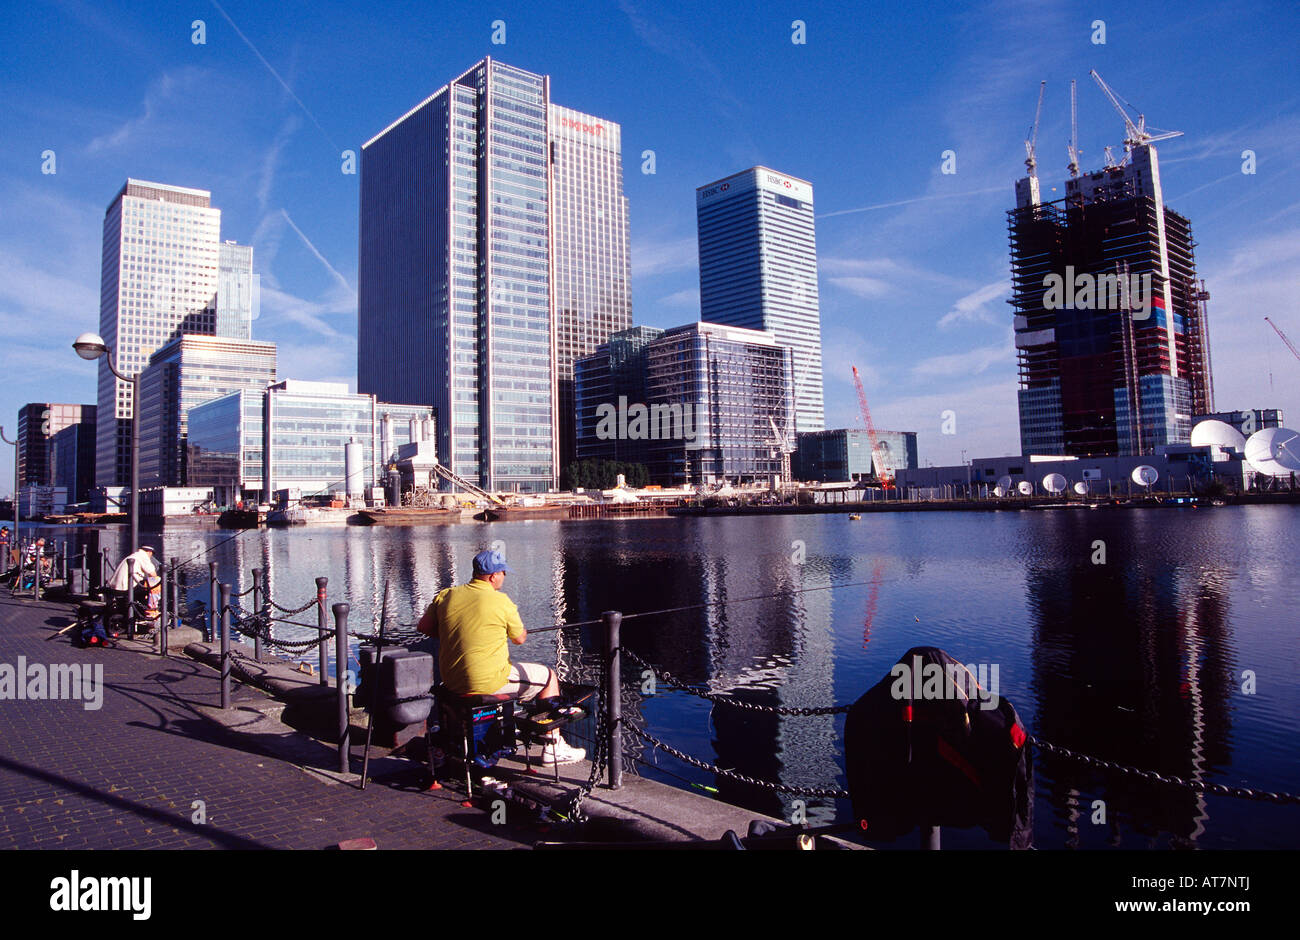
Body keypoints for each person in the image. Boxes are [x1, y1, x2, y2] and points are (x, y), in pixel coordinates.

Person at [417, 549, 586, 765]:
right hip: (487, 682)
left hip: (451, 682)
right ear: (492, 576)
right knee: (549, 677)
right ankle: (553, 747)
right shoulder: (501, 601)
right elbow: (520, 638)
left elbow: (424, 627)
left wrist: (458, 632)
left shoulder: (446, 595)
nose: (505, 577)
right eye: (503, 573)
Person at [107, 545, 161, 621]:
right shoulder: (143, 557)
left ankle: (142, 610)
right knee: (156, 583)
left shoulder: (133, 556)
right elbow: (153, 574)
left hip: (116, 587)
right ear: (149, 552)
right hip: (126, 588)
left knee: (146, 585)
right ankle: (151, 612)